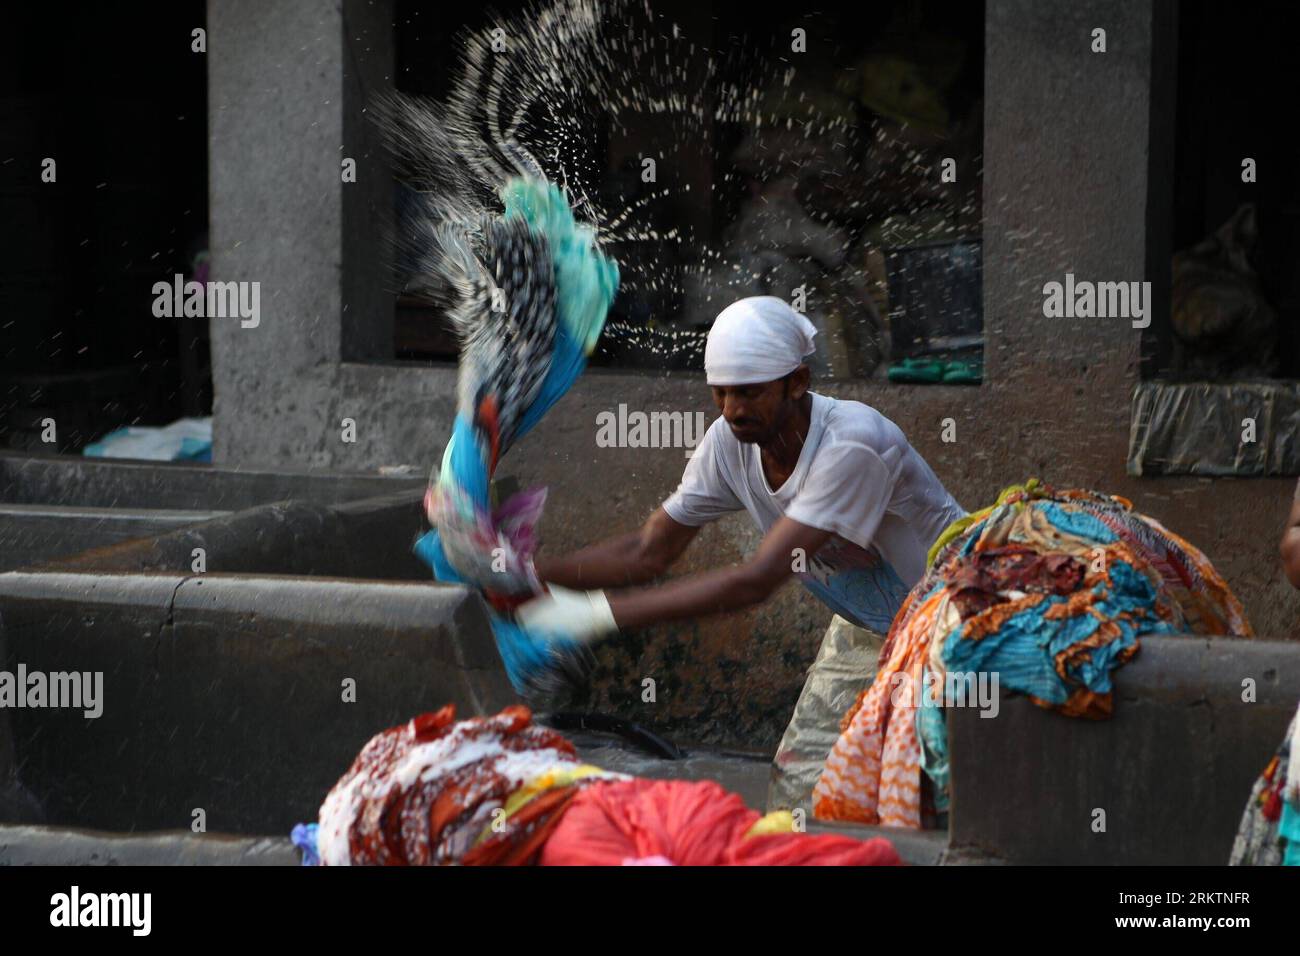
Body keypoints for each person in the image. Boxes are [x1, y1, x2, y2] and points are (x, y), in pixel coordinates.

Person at [517, 295, 966, 807]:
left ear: (797, 382)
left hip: (951, 627)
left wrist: (596, 614)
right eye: (721, 393)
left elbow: (754, 581)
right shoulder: (729, 443)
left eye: (750, 393)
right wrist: (524, 574)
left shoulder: (852, 446)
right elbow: (647, 552)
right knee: (802, 791)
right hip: (867, 630)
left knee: (932, 797)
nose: (733, 409)